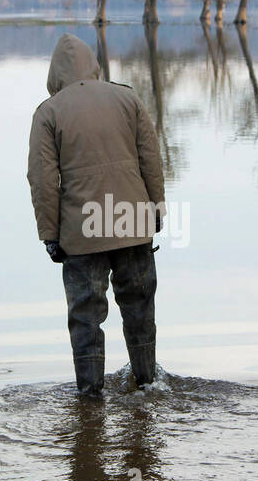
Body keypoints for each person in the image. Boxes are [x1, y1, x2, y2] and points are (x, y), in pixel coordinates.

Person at [27, 33, 165, 397]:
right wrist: (156, 209)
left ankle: (90, 397)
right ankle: (148, 382)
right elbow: (151, 160)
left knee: (86, 316)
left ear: (54, 74)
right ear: (94, 65)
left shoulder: (49, 112)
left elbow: (43, 181)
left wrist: (50, 235)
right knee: (139, 308)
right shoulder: (127, 98)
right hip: (132, 220)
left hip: (83, 228)